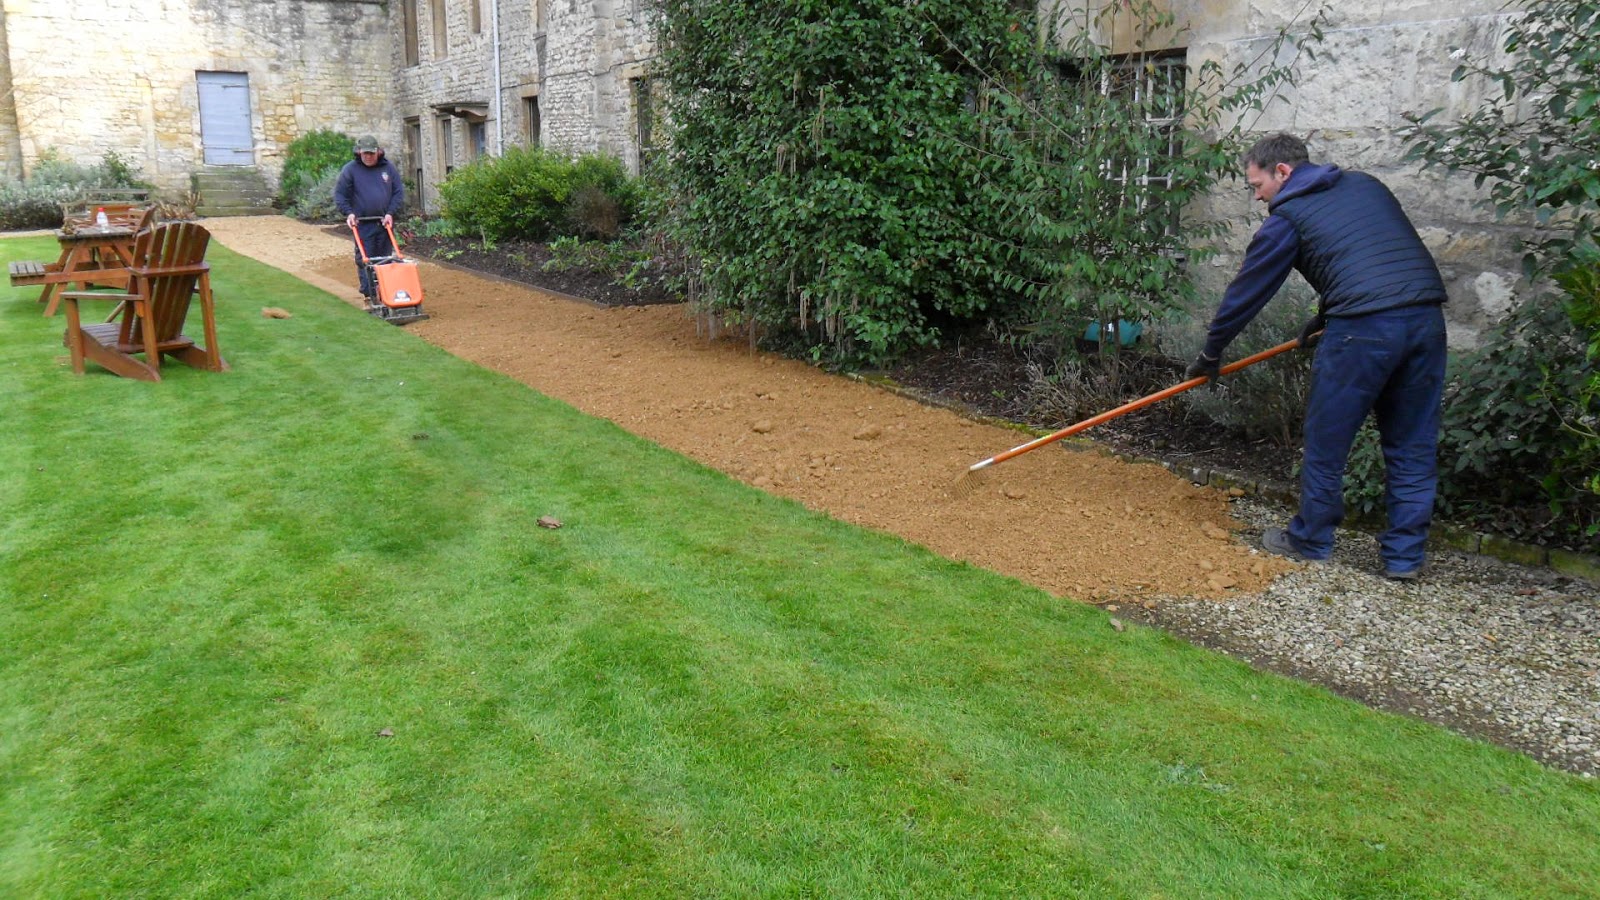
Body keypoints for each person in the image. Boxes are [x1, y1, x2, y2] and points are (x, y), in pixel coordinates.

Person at [1186, 133, 1448, 581]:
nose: (1257, 197)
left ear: (1282, 172)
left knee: (1328, 440)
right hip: (1425, 321)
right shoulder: (1366, 185)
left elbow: (1247, 293)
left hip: (1362, 334)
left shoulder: (1287, 217)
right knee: (1411, 444)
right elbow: (1372, 253)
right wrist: (1326, 313)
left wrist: (1212, 352)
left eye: (1257, 186)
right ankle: (1404, 558)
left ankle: (1311, 538)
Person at [333, 134, 405, 303]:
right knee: (365, 259)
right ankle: (369, 294)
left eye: (371, 153)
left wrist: (390, 213)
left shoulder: (388, 169)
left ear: (378, 152)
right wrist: (349, 213)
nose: (368, 157)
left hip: (383, 221)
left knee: (385, 258)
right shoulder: (350, 170)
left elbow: (398, 192)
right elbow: (341, 195)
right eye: (365, 153)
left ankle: (386, 291)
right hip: (362, 223)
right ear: (359, 152)